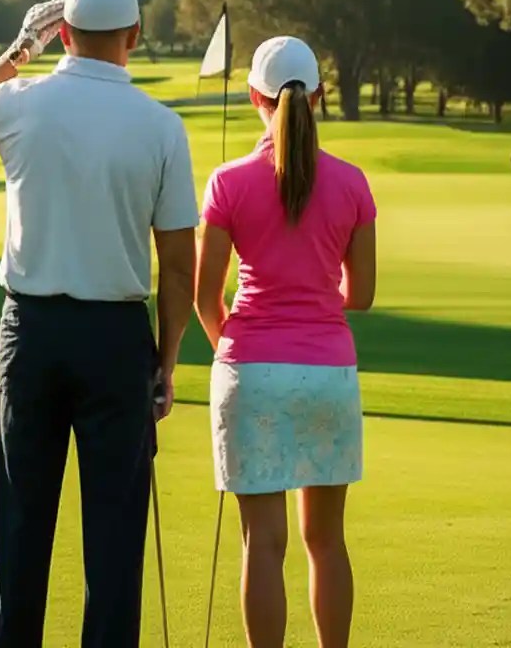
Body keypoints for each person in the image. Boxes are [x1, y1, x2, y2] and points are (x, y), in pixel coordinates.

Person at [0, 0, 199, 648]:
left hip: (32, 334)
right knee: (114, 540)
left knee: (21, 525)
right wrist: (165, 362)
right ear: (135, 37)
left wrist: (15, 55)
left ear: (65, 35)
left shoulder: (22, 100)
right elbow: (179, 266)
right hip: (117, 341)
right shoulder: (162, 126)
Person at [195, 36, 377, 648]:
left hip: (250, 369)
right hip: (328, 372)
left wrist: (235, 351)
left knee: (263, 544)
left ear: (255, 97)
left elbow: (203, 296)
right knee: (325, 542)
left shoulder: (228, 181)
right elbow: (361, 294)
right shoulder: (352, 183)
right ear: (319, 98)